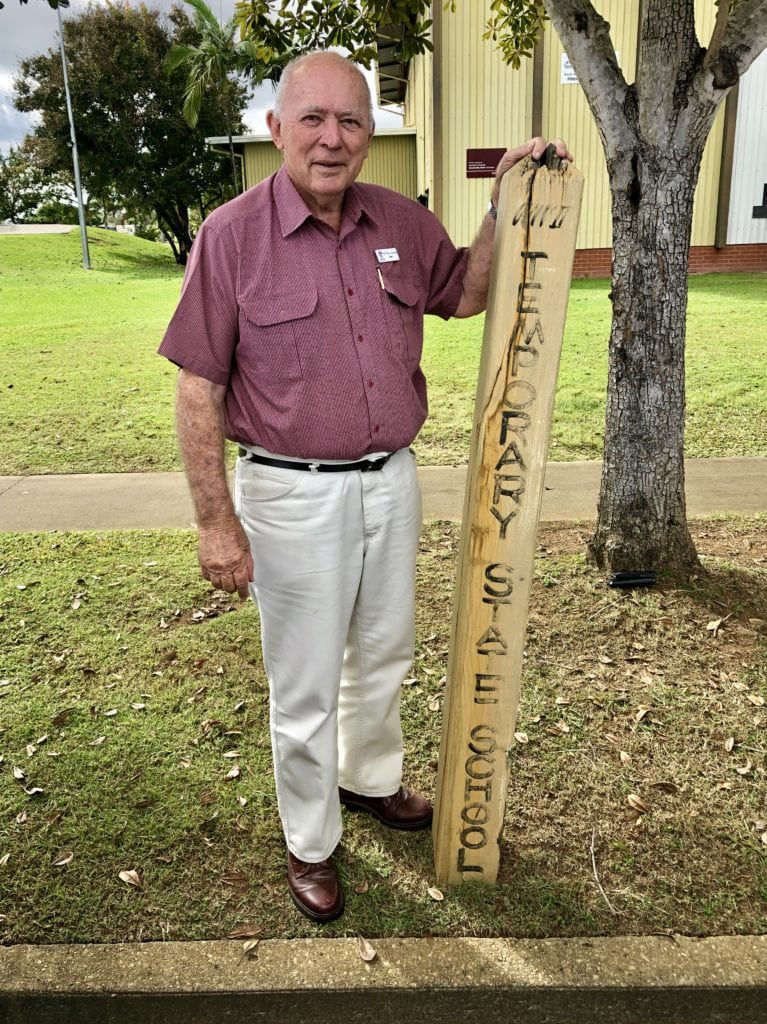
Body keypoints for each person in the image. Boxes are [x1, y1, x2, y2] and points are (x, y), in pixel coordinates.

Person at [159, 49, 570, 923]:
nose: (332, 138)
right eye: (312, 119)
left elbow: (462, 293)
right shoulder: (232, 236)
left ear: (369, 131)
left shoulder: (399, 220)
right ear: (276, 129)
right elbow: (199, 385)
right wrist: (214, 524)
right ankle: (310, 842)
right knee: (304, 683)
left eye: (351, 119)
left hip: (390, 480)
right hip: (290, 493)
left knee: (381, 652)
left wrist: (504, 205)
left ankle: (369, 779)